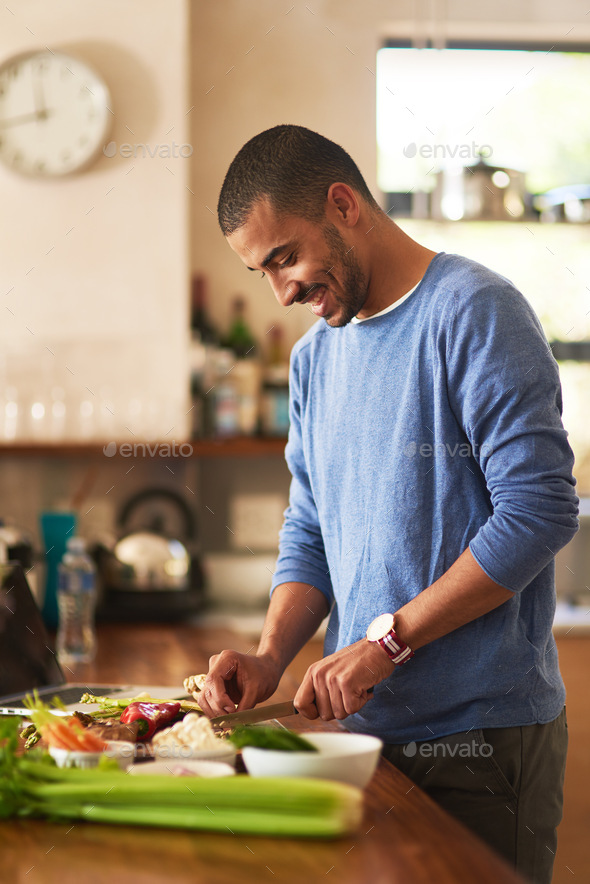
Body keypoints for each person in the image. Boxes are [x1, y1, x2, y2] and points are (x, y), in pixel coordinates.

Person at [198, 125, 579, 883]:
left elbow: (539, 510)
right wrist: (273, 655)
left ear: (343, 205)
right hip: (361, 740)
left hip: (482, 743)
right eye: (260, 272)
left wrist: (389, 643)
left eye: (285, 258)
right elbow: (311, 525)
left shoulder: (476, 313)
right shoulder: (313, 359)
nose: (283, 291)